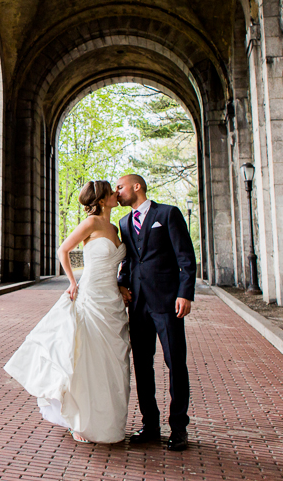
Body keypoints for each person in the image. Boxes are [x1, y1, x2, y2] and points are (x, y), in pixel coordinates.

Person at [3, 180, 131, 444]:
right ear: (103, 198)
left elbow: (112, 265)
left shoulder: (115, 228)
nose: (116, 195)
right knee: (87, 357)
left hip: (111, 300)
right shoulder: (92, 223)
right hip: (91, 295)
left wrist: (118, 286)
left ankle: (106, 420)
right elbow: (63, 249)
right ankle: (78, 420)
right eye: (112, 192)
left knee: (113, 361)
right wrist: (73, 281)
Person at [115, 173, 196, 452]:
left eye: (120, 187)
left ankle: (179, 428)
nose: (117, 192)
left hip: (167, 302)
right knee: (142, 366)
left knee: (176, 364)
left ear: (137, 187)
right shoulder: (123, 222)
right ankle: (150, 425)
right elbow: (127, 261)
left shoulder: (168, 214)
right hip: (137, 306)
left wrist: (185, 293)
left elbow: (185, 256)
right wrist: (122, 285)